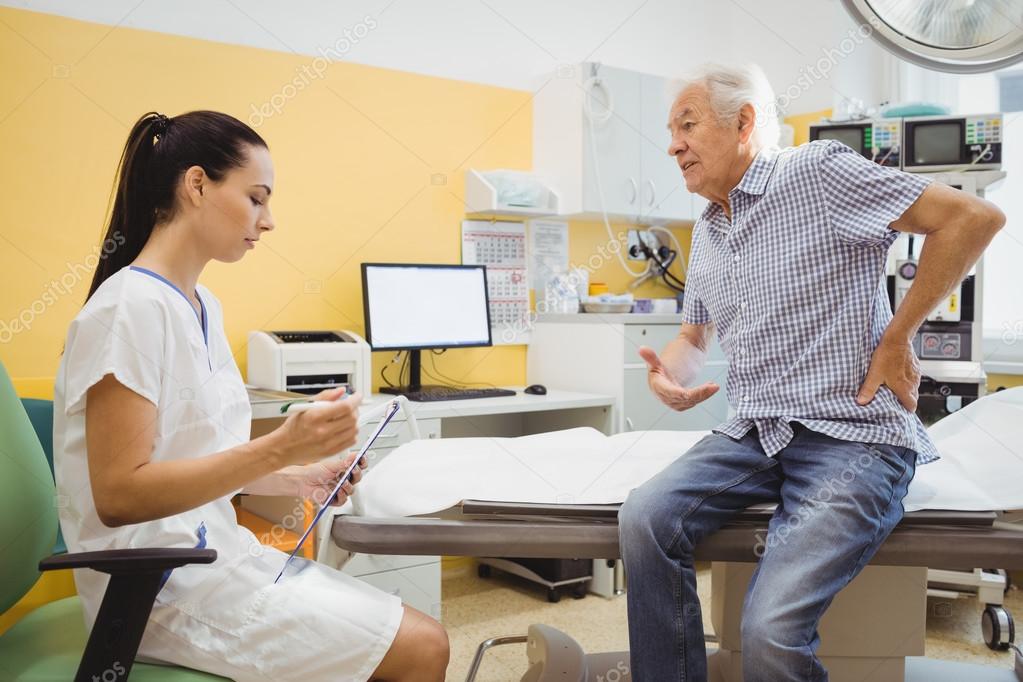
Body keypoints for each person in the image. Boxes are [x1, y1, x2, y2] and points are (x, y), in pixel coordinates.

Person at [617, 64, 1005, 681]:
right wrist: (670, 370)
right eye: (671, 131)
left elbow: (973, 218)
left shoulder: (816, 173)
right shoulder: (711, 228)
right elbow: (694, 332)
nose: (672, 145)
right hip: (756, 433)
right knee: (643, 517)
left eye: (687, 126)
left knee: (768, 632)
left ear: (743, 122)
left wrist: (897, 337)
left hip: (852, 436)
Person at [54, 111, 449, 682]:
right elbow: (120, 496)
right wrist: (278, 450)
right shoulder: (128, 310)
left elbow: (191, 458)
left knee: (407, 630)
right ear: (196, 185)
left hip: (214, 557)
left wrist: (296, 477)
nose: (268, 221)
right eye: (256, 198)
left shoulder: (201, 305)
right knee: (423, 646)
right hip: (153, 590)